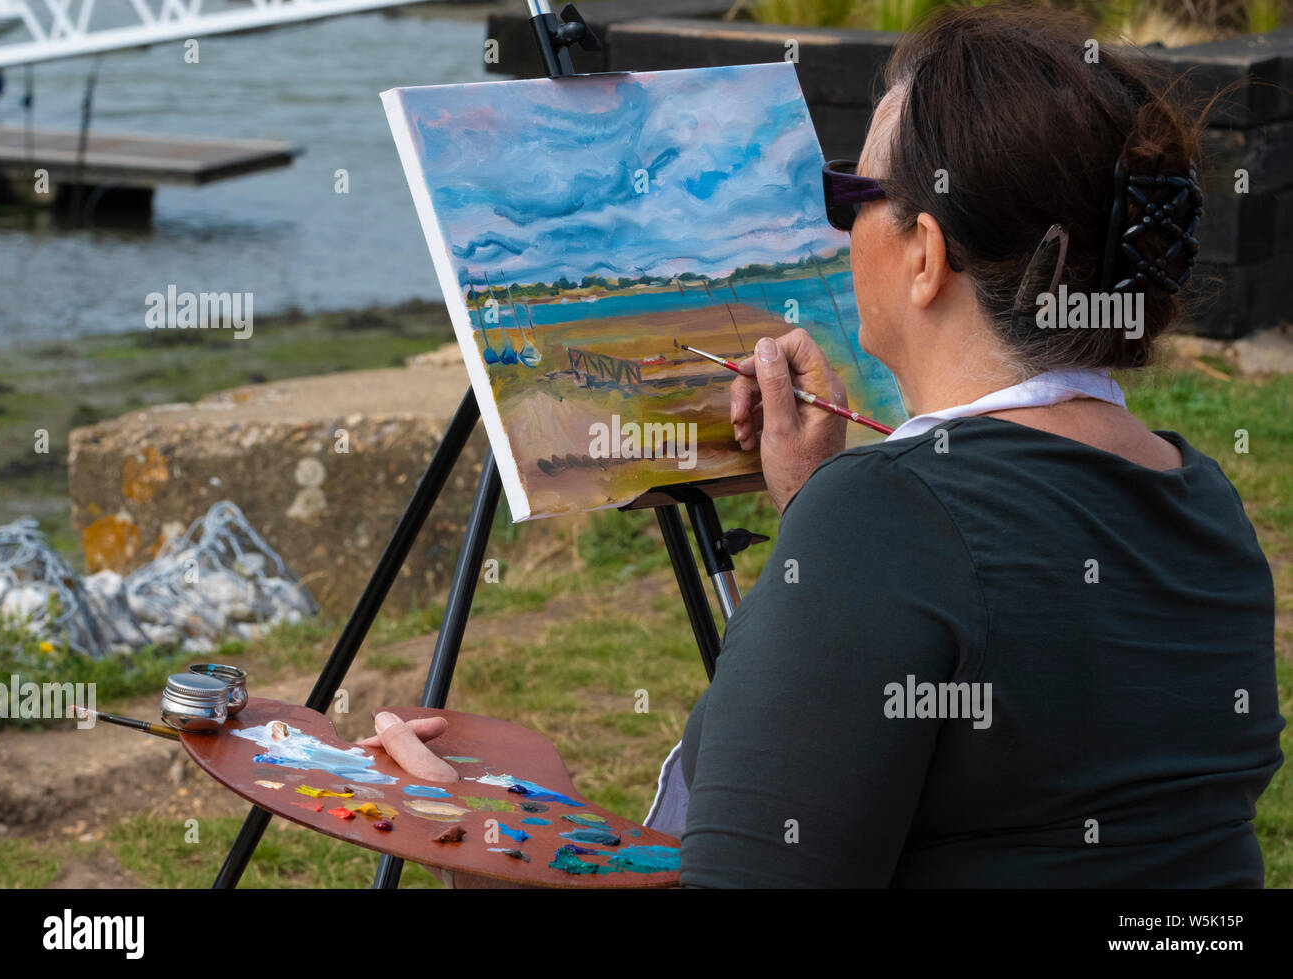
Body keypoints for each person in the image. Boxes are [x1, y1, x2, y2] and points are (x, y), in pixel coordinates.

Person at [367, 5, 1285, 887]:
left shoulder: (889, 524)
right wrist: (825, 514)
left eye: (849, 194)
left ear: (925, 254)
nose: (836, 225)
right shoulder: (1203, 505)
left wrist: (489, 832)